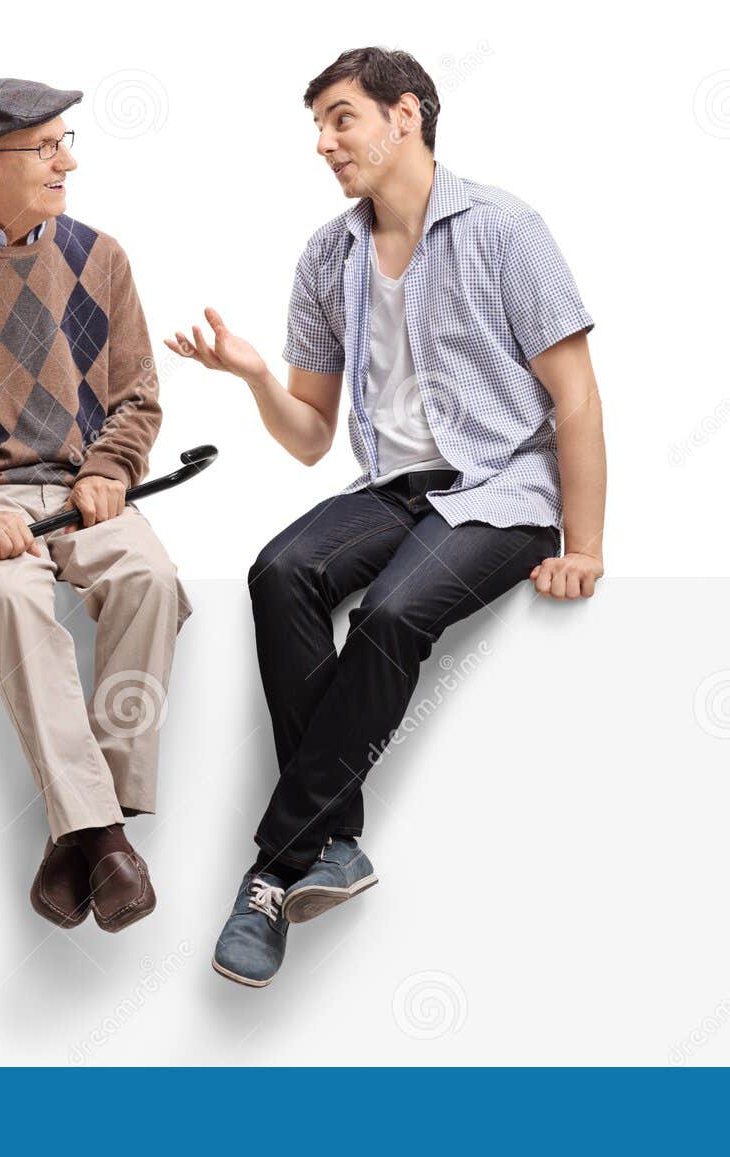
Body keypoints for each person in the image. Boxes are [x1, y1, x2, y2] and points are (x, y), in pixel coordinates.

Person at [165, 48, 607, 985]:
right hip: (395, 489)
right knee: (280, 571)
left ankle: (275, 869)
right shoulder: (329, 255)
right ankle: (334, 845)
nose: (325, 143)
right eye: (319, 126)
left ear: (405, 115)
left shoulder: (504, 228)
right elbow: (310, 437)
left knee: (392, 615)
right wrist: (252, 377)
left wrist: (587, 545)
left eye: (341, 118)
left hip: (502, 490)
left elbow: (575, 396)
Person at [0, 78, 191, 933]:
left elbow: (138, 397)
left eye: (66, 141)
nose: (69, 161)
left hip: (83, 493)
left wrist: (113, 468)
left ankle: (87, 832)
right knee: (14, 600)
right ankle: (105, 840)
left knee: (152, 579)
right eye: (46, 149)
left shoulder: (102, 256)